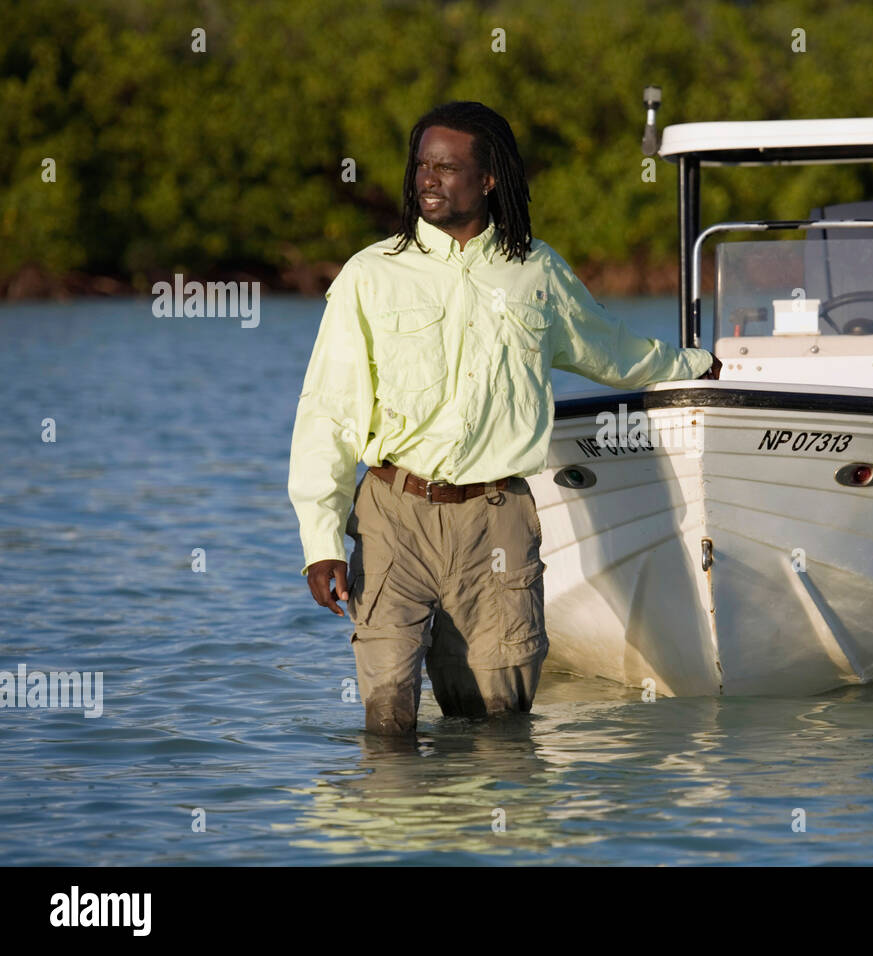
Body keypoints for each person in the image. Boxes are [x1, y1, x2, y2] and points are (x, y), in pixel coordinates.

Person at [288, 101, 720, 735]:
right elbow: (326, 415)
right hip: (392, 519)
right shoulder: (369, 275)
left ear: (488, 179)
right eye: (421, 166)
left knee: (499, 725)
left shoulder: (536, 270)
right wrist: (320, 542)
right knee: (387, 722)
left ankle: (486, 832)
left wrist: (698, 365)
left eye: (446, 167)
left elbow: (615, 351)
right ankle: (400, 832)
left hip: (498, 521)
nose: (426, 180)